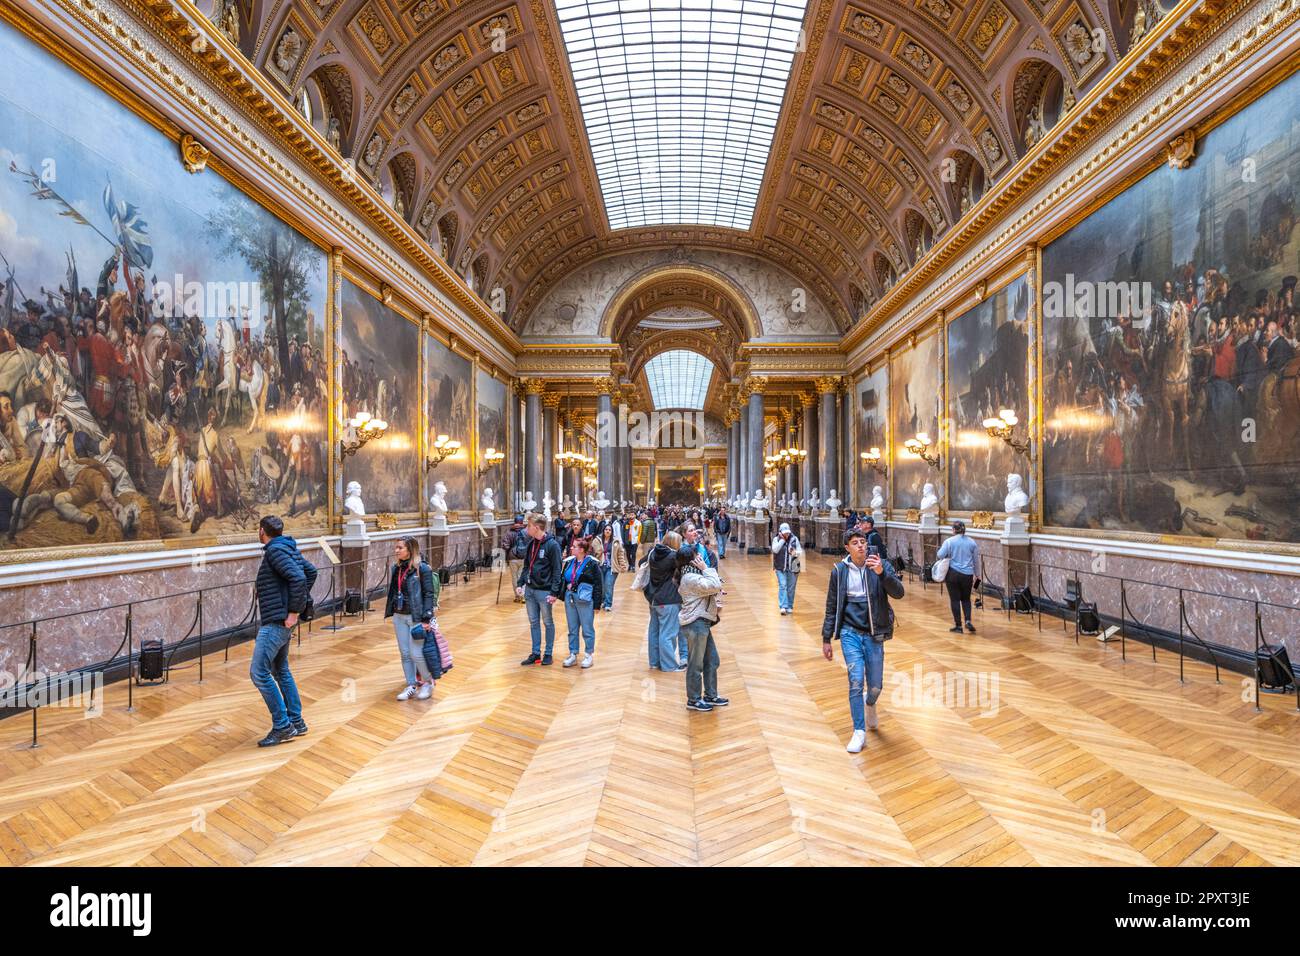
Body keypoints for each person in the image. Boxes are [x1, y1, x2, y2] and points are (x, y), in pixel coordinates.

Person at [822, 528, 905, 754]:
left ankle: (870, 703)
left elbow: (899, 593)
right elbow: (831, 606)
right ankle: (859, 731)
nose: (860, 545)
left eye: (862, 542)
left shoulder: (880, 564)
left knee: (875, 686)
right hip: (850, 633)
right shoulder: (839, 571)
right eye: (855, 543)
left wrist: (881, 573)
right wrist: (826, 638)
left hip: (874, 634)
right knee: (856, 680)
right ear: (847, 548)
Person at [251, 515, 317, 746]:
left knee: (259, 672)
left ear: (262, 531)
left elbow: (299, 578)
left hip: (277, 621)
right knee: (280, 670)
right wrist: (291, 603)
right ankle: (296, 721)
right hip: (281, 619)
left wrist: (293, 611)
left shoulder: (275, 551)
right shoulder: (287, 547)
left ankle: (282, 726)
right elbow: (311, 572)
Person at [678, 548, 728, 712]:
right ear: (691, 561)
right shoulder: (689, 577)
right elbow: (713, 585)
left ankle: (710, 695)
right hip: (696, 623)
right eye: (697, 556)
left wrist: (715, 590)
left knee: (712, 660)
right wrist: (706, 568)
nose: (700, 557)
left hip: (702, 621)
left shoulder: (693, 575)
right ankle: (693, 699)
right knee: (696, 663)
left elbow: (712, 587)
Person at [385, 536, 435, 700]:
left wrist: (427, 618)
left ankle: (427, 683)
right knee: (405, 653)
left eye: (400, 548)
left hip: (416, 617)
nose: (396, 550)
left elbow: (429, 594)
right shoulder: (397, 568)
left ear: (410, 550)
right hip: (399, 615)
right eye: (396, 547)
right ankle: (411, 685)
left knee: (416, 654)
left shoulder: (423, 568)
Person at [516, 515, 564, 664]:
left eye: (528, 526)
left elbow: (557, 570)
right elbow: (526, 566)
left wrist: (554, 592)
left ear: (536, 528)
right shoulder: (531, 543)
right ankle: (535, 653)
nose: (526, 529)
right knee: (533, 622)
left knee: (548, 622)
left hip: (545, 591)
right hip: (530, 589)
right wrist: (520, 583)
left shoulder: (552, 545)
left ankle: (548, 653)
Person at [644, 530, 685, 670]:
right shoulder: (673, 557)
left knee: (654, 632)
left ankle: (654, 662)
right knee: (668, 633)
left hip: (653, 598)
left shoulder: (653, 553)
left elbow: (641, 562)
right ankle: (669, 666)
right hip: (668, 599)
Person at [562, 537, 604, 668]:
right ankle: (573, 654)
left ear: (581, 550)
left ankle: (588, 655)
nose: (571, 548)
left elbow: (598, 584)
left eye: (574, 546)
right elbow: (564, 578)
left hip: (585, 600)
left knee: (587, 628)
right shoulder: (570, 562)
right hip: (570, 598)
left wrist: (597, 605)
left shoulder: (592, 563)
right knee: (572, 628)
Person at [935, 520, 980, 633]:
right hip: (968, 575)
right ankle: (968, 620)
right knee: (966, 599)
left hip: (953, 574)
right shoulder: (972, 542)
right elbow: (976, 561)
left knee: (955, 600)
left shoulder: (949, 541)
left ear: (954, 530)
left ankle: (958, 626)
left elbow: (940, 555)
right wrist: (977, 575)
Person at [771, 522, 803, 615]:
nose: (787, 534)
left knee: (791, 587)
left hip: (793, 566)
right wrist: (782, 540)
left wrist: (794, 552)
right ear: (780, 532)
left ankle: (789, 606)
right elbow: (775, 550)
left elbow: (800, 552)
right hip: (780, 567)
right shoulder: (776, 539)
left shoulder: (794, 539)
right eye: (785, 533)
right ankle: (783, 606)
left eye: (788, 532)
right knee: (783, 585)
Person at [503, 514, 528, 603]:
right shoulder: (526, 532)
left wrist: (509, 550)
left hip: (512, 558)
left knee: (515, 578)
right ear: (522, 522)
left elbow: (505, 546)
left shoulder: (509, 533)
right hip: (524, 557)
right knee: (522, 576)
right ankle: (523, 596)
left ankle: (517, 596)